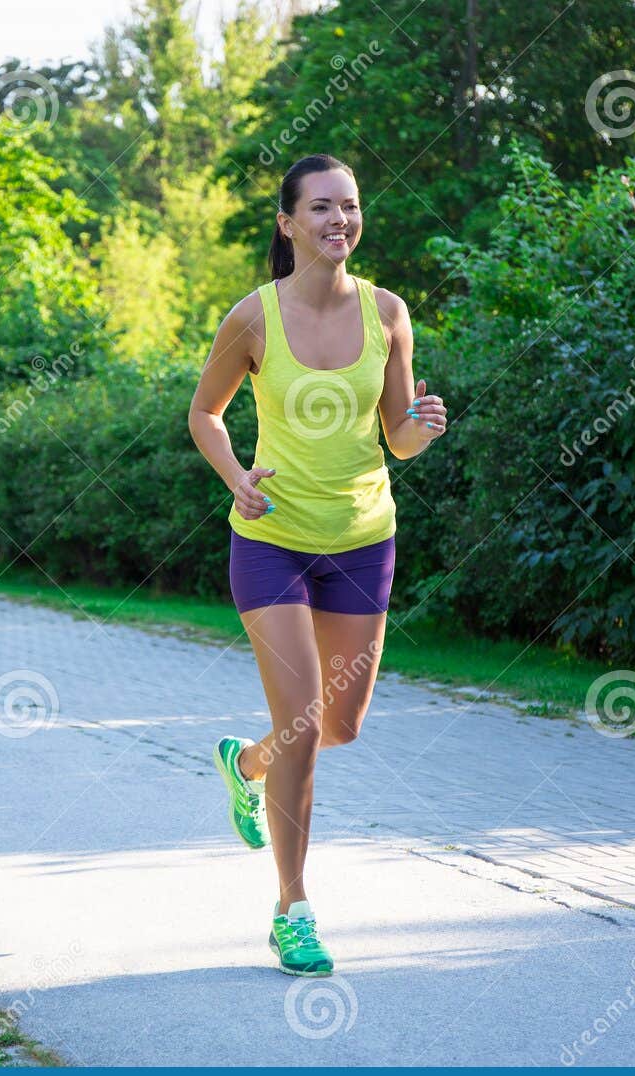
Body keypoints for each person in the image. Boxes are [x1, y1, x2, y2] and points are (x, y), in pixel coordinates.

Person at [187, 153, 447, 976]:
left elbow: (396, 437)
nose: (341, 220)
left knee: (339, 725)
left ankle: (247, 762)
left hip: (363, 541)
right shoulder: (253, 318)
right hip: (272, 540)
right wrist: (237, 475)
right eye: (323, 208)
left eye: (351, 206)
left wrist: (421, 427)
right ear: (288, 223)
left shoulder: (389, 313)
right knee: (303, 721)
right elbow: (204, 413)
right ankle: (292, 908)